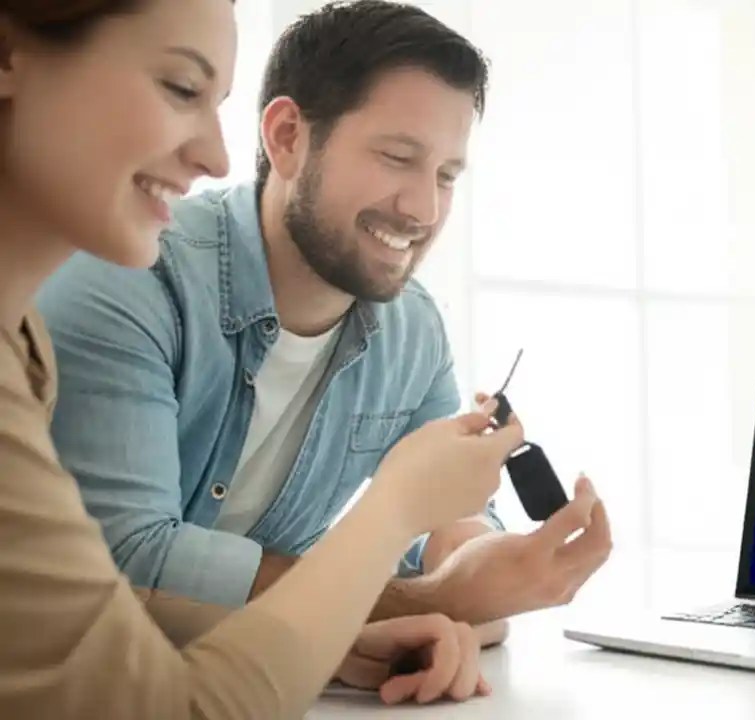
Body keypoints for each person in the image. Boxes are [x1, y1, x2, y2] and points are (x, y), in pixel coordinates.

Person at [0, 0, 529, 715]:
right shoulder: (122, 284)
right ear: (285, 137)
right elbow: (136, 599)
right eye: (182, 89)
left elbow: (109, 631)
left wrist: (444, 585)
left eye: (447, 175)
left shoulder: (18, 346)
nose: (216, 156)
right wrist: (397, 528)